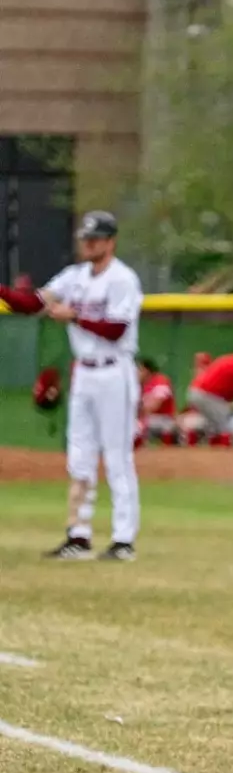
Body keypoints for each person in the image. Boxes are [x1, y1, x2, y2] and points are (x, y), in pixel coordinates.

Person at [0, 211, 144, 561]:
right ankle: (78, 535)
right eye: (85, 238)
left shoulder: (122, 278)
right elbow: (31, 304)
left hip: (114, 371)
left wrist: (76, 316)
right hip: (84, 373)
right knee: (79, 454)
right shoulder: (74, 277)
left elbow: (117, 329)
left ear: (111, 241)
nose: (88, 244)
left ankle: (123, 539)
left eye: (95, 238)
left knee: (116, 457)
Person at [135, 356, 178, 448]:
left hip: (164, 420)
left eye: (139, 370)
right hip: (150, 420)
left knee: (135, 425)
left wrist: (138, 409)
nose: (136, 373)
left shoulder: (161, 381)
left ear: (146, 370)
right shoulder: (141, 385)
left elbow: (154, 406)